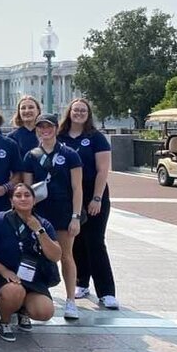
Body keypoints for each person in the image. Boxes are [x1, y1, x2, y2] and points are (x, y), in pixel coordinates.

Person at [0, 183, 61, 342]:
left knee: (44, 312)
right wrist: (3, 270)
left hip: (32, 278)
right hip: (4, 276)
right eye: (18, 196)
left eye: (27, 195)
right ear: (11, 200)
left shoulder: (43, 224)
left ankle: (23, 310)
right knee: (14, 292)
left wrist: (39, 231)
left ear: (34, 200)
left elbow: (56, 255)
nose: (23, 199)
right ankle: (5, 322)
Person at [59, 98, 118, 310]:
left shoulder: (96, 137)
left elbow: (103, 170)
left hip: (93, 191)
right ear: (69, 112)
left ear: (88, 114)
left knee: (95, 241)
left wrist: (97, 198)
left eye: (83, 110)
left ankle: (107, 291)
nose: (79, 113)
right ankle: (81, 282)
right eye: (76, 110)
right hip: (69, 194)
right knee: (76, 240)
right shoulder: (60, 136)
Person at [23, 113, 83, 320]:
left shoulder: (70, 154)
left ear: (56, 128)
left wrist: (76, 216)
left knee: (66, 256)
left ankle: (70, 300)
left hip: (63, 211)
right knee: (35, 255)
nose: (44, 130)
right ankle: (34, 295)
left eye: (48, 126)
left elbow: (77, 188)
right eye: (41, 127)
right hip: (39, 212)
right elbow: (27, 189)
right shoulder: (31, 156)